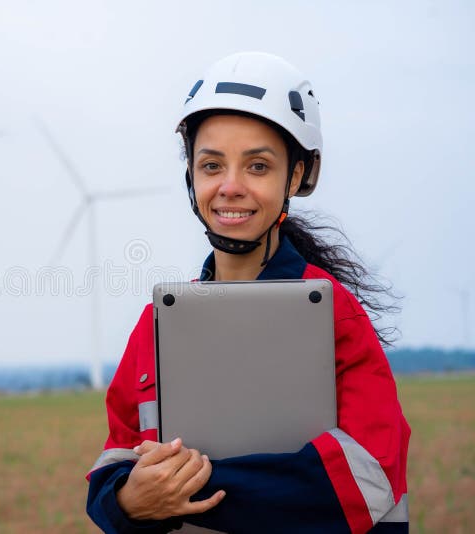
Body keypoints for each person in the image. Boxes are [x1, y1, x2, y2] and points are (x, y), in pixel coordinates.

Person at [85, 52, 410, 533]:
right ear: (191, 175)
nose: (230, 186)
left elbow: (367, 478)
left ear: (295, 176)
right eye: (211, 165)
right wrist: (126, 502)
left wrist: (178, 492)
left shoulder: (334, 314)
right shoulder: (155, 325)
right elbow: (114, 464)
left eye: (257, 166)